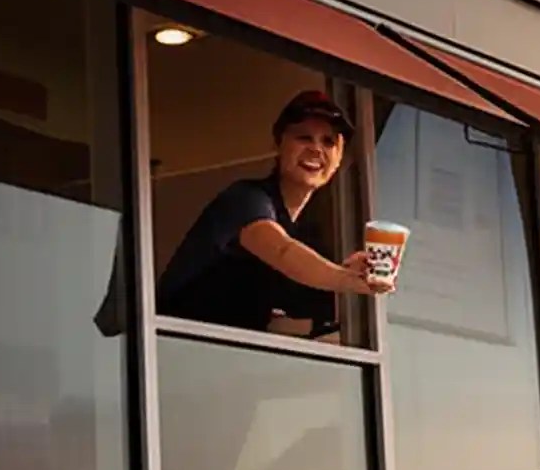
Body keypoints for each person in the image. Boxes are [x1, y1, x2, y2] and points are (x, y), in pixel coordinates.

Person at [155, 89, 392, 336]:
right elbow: (282, 250)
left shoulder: (298, 229)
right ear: (278, 144)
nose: (316, 149)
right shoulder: (246, 199)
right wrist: (347, 279)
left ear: (340, 155)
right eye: (304, 137)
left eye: (328, 141)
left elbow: (279, 322)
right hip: (171, 350)